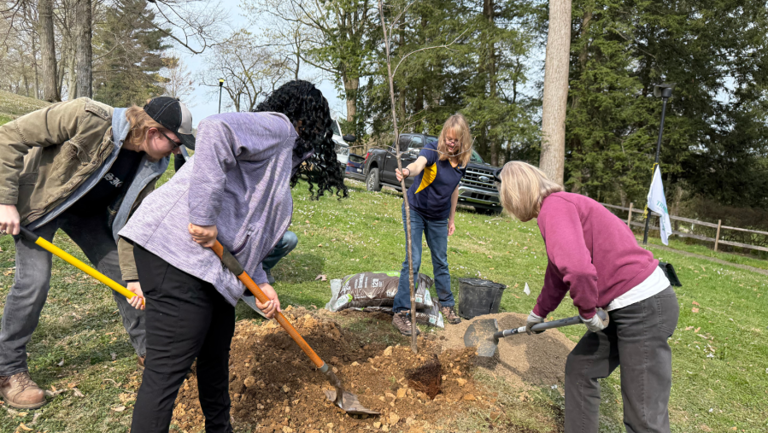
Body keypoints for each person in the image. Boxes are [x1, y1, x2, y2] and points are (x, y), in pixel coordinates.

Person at [118, 80, 347, 433]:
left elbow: (249, 238)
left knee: (215, 359)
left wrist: (263, 285)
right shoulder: (279, 127)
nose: (319, 137)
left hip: (213, 271)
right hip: (177, 254)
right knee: (166, 373)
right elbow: (215, 130)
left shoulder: (282, 163)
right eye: (317, 126)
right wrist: (204, 217)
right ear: (305, 119)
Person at [0, 96, 194, 409]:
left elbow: (134, 221)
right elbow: (10, 136)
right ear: (154, 131)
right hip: (39, 207)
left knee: (123, 274)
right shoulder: (86, 116)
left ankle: (151, 352)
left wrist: (134, 277)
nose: (176, 152)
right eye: (175, 144)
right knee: (34, 282)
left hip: (86, 215)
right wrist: (5, 201)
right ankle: (8, 370)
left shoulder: (153, 163)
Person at [496, 161, 679, 433]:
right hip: (624, 307)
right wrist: (539, 312)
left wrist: (587, 311)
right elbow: (558, 270)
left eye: (507, 201)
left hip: (643, 307)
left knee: (643, 416)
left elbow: (578, 270)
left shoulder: (555, 208)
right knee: (581, 369)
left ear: (517, 194)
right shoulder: (558, 207)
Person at [391, 114, 472, 335]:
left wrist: (451, 219)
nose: (450, 143)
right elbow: (419, 164)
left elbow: (454, 189)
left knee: (441, 261)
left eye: (455, 140)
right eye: (448, 138)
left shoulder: (462, 163)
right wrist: (407, 171)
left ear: (462, 140)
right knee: (413, 261)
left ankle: (447, 305)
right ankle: (401, 312)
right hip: (415, 210)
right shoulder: (433, 151)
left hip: (438, 217)